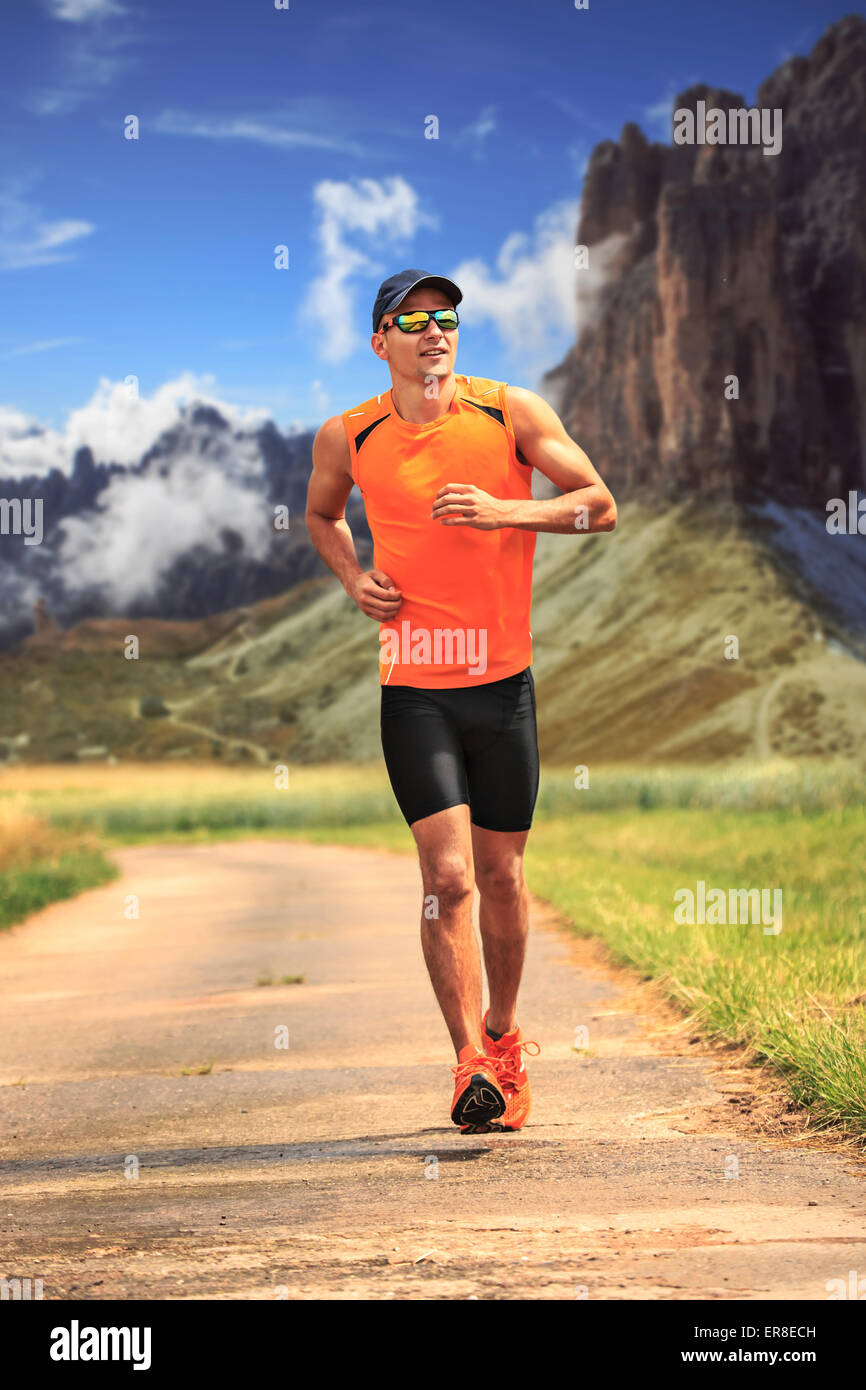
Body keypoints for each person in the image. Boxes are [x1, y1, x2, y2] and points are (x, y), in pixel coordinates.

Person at [305, 269, 616, 1132]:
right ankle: (468, 1066)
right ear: (382, 342)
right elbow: (322, 516)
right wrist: (352, 578)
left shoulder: (509, 412)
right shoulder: (349, 434)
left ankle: (505, 1035)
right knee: (446, 879)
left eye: (445, 318)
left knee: (503, 878)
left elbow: (600, 507)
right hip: (415, 688)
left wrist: (504, 513)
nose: (435, 331)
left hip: (503, 685)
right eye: (414, 321)